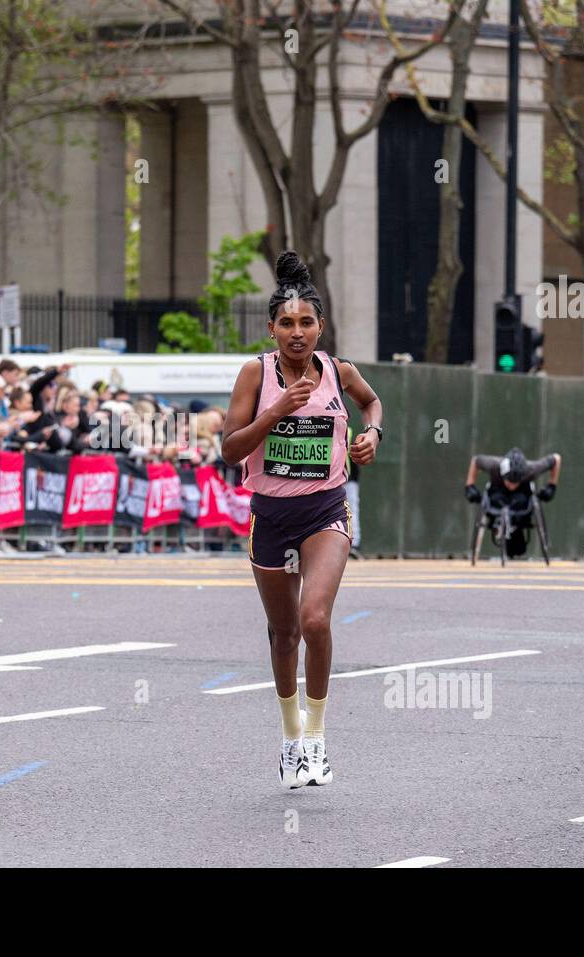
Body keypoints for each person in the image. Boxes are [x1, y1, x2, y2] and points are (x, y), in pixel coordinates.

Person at [220, 250, 383, 789]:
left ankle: (315, 739)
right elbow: (229, 450)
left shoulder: (338, 371)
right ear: (271, 329)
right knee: (284, 633)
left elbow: (372, 403)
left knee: (315, 619)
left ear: (320, 326)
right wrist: (275, 413)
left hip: (325, 511)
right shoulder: (255, 374)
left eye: (306, 322)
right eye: (286, 323)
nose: (297, 332)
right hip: (269, 517)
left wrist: (371, 434)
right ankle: (291, 739)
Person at [464, 447, 561, 558]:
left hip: (520, 501)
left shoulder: (531, 469)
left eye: (515, 482)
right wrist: (469, 486)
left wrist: (552, 486)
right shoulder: (493, 465)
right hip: (498, 495)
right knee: (494, 498)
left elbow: (556, 459)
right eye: (509, 481)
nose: (512, 485)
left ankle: (514, 530)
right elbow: (475, 460)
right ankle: (499, 526)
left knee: (518, 549)